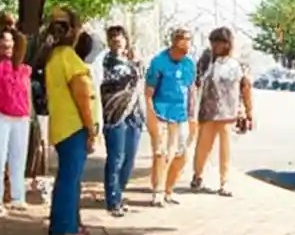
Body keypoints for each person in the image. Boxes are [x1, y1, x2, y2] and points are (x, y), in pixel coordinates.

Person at [39, 7, 100, 235]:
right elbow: (83, 96)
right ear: (73, 30)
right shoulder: (70, 59)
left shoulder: (54, 56)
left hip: (61, 125)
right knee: (70, 177)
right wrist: (91, 128)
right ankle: (65, 226)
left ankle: (67, 221)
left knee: (68, 176)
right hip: (74, 126)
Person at [190, 27, 254, 197]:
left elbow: (246, 88)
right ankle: (198, 175)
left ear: (228, 43)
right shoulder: (206, 59)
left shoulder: (237, 62)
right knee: (203, 146)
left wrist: (248, 112)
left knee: (226, 149)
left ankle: (224, 181)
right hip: (208, 111)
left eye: (220, 41)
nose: (216, 45)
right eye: (214, 41)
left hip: (229, 112)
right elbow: (195, 82)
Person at [0, 27, 32, 217]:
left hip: (21, 117)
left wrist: (29, 115)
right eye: (3, 41)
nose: (7, 45)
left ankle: (17, 197)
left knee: (18, 159)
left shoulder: (24, 69)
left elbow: (26, 93)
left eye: (10, 41)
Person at [145, 28, 197, 207]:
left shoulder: (189, 64)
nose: (187, 47)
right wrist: (151, 116)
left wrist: (192, 115)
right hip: (161, 113)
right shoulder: (158, 62)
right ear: (175, 42)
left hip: (181, 115)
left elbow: (191, 90)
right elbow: (149, 92)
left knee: (182, 154)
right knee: (162, 153)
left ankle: (169, 189)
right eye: (184, 42)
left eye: (189, 42)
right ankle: (157, 191)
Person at [100, 26, 145, 217]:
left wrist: (136, 62)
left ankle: (119, 191)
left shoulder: (133, 61)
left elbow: (141, 81)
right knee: (115, 158)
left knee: (129, 158)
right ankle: (113, 199)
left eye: (120, 38)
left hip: (134, 114)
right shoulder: (105, 62)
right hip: (114, 115)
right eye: (113, 38)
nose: (117, 41)